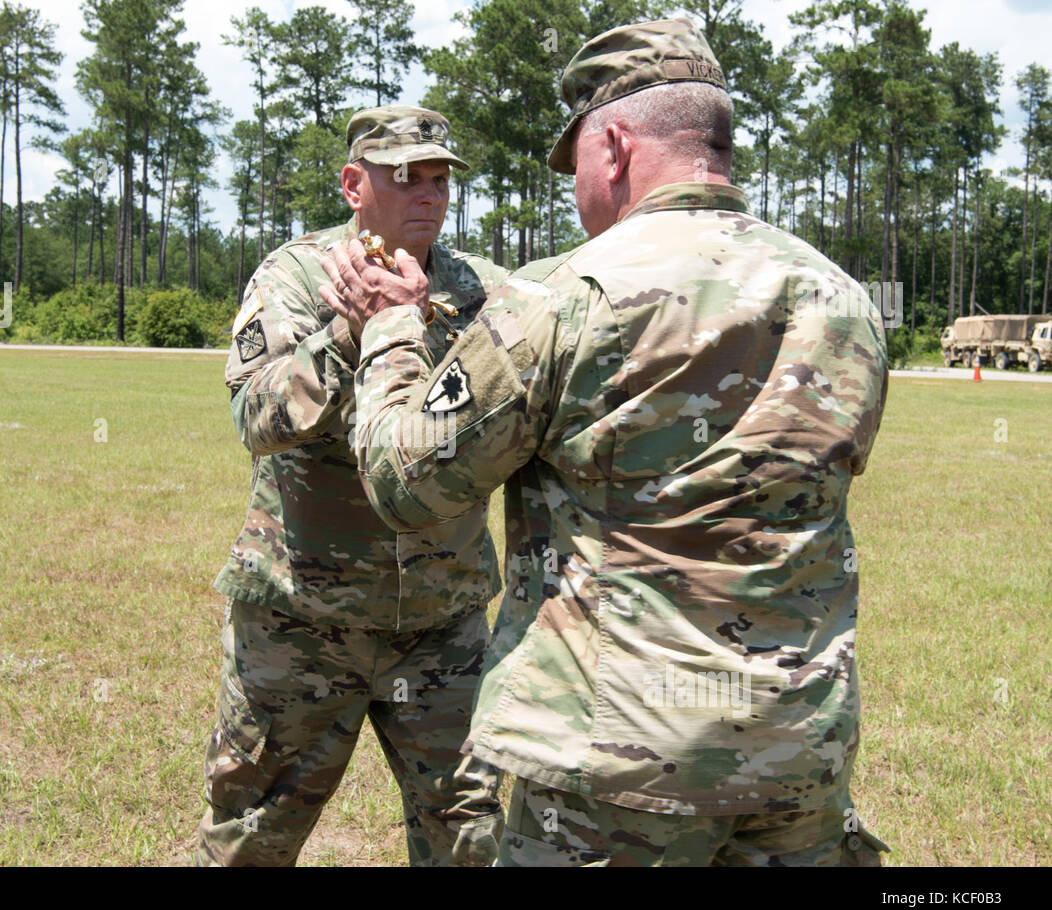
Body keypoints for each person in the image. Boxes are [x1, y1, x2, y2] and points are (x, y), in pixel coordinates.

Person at [329, 20, 892, 866]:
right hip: (798, 752)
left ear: (617, 148)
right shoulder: (842, 300)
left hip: (617, 770)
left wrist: (393, 333)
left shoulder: (564, 296)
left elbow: (409, 482)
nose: (578, 193)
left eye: (580, 166)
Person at [196, 105, 508, 866]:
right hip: (304, 620)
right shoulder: (295, 277)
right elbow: (257, 415)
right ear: (352, 184)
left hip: (443, 624)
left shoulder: (482, 292)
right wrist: (350, 332)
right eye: (407, 179)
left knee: (474, 836)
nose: (429, 196)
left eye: (439, 179)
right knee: (252, 832)